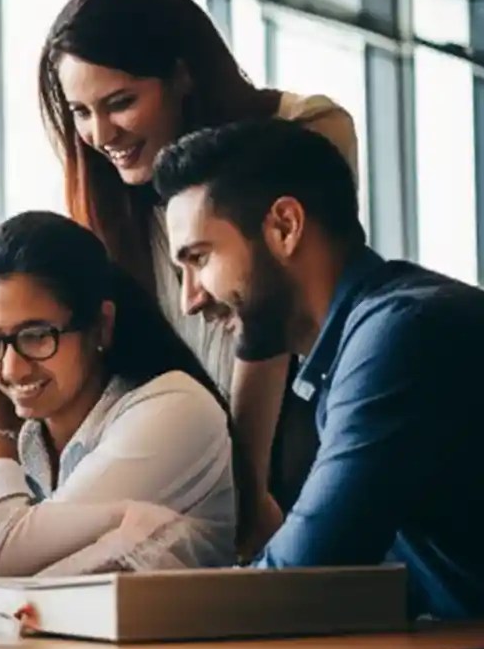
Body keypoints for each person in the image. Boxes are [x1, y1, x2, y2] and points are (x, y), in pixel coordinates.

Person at [38, 0, 359, 556]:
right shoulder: (108, 194)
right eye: (81, 111)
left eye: (121, 103)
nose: (100, 135)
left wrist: (244, 486)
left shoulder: (303, 129)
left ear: (183, 74)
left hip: (288, 425)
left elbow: (266, 310)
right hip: (182, 442)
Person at [156, 118, 484, 619]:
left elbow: (299, 579)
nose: (190, 300)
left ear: (285, 227)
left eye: (199, 259)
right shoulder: (369, 336)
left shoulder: (399, 334)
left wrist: (122, 608)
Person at [0, 211, 235, 604]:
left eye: (36, 336)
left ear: (102, 325)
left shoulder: (175, 410)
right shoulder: (31, 438)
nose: (10, 368)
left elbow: (4, 558)